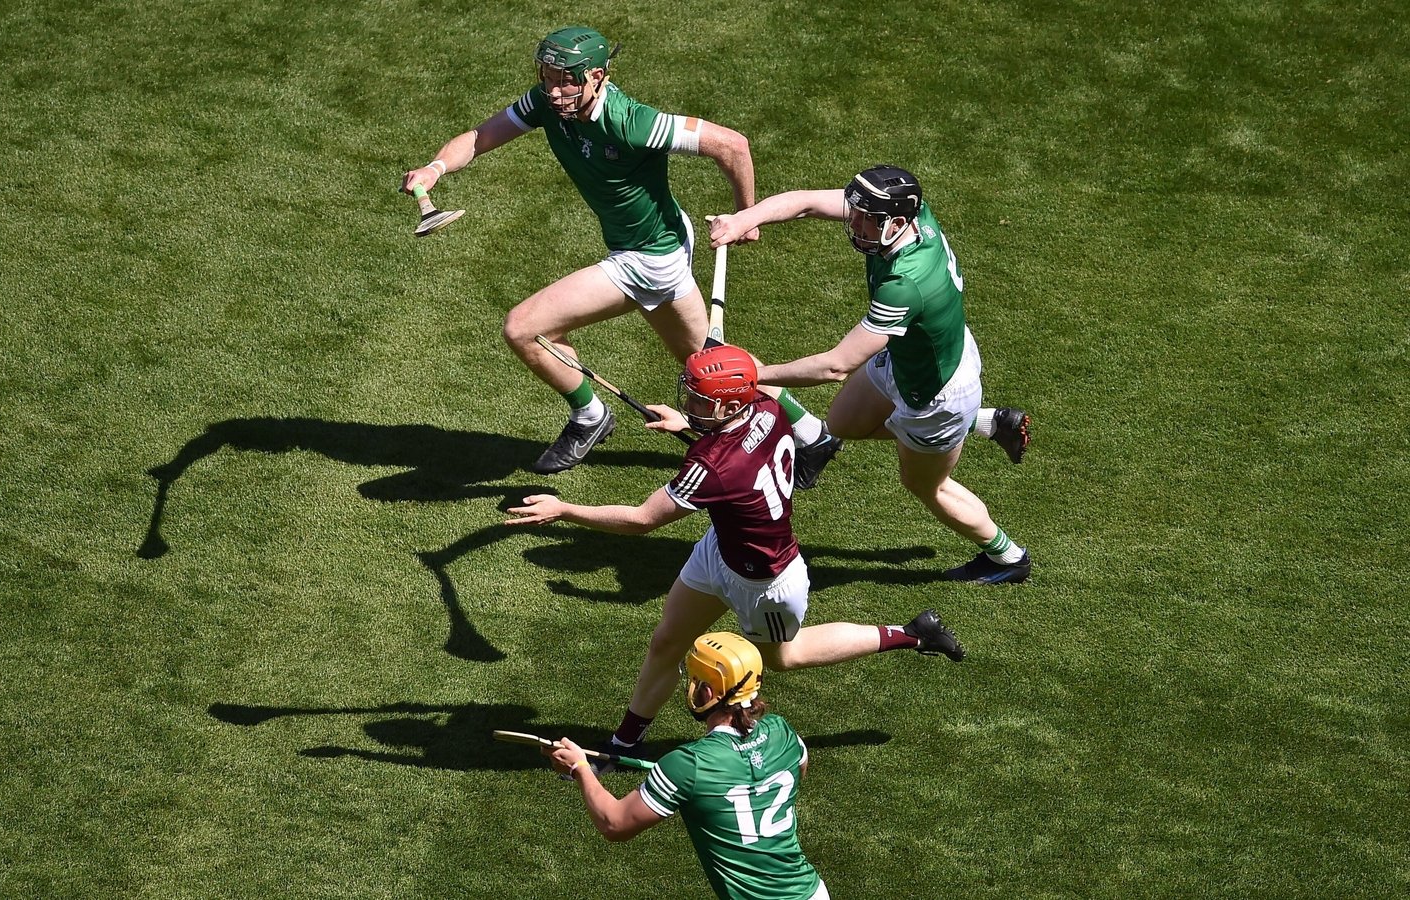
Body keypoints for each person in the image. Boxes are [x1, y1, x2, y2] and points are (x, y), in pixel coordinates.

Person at [401, 26, 840, 482]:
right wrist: (436, 168)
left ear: (595, 76)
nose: (553, 90)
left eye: (565, 79)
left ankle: (589, 416)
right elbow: (480, 136)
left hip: (650, 259)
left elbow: (731, 144)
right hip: (656, 243)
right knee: (707, 362)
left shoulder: (631, 121)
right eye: (547, 77)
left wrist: (746, 215)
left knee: (524, 328)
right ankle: (813, 434)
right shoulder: (546, 104)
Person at [507, 345, 962, 767]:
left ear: (730, 405)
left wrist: (563, 508)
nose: (690, 406)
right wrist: (689, 425)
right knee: (667, 641)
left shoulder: (710, 468)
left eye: (700, 403)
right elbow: (747, 440)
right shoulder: (768, 403)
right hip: (719, 551)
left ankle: (910, 633)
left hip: (767, 583)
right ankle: (623, 742)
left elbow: (643, 519)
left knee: (786, 656)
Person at [707, 165, 1033, 584]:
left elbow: (835, 365)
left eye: (867, 219)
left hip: (936, 392)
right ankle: (987, 423)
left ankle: (1008, 557)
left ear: (897, 222)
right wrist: (743, 219)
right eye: (857, 213)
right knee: (841, 424)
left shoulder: (905, 283)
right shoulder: (913, 216)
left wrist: (754, 374)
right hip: (913, 354)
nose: (855, 223)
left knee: (926, 485)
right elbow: (806, 202)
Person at [545, 633, 826, 899]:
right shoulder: (781, 731)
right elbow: (801, 765)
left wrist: (579, 767)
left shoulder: (688, 765)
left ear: (707, 691)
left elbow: (614, 823)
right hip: (812, 891)